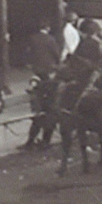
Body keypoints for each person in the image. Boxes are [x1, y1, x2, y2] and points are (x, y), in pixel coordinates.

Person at [23, 21, 62, 150]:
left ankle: (31, 140)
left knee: (38, 112)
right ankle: (46, 140)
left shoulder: (32, 38)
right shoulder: (50, 39)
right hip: (48, 70)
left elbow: (28, 52)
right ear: (47, 28)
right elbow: (56, 54)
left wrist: (30, 64)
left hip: (37, 70)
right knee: (49, 110)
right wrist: (57, 64)